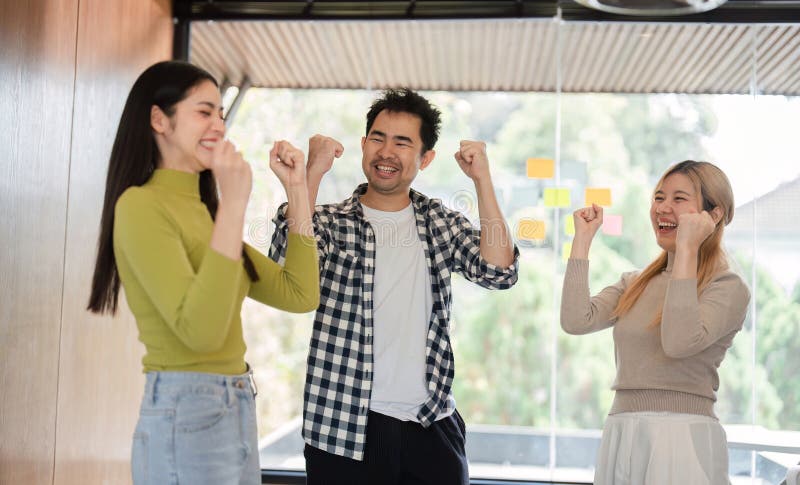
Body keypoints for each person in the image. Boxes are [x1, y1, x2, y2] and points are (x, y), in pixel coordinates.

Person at [86, 60, 320, 485]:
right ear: (160, 119)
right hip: (186, 406)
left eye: (220, 114)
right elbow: (200, 333)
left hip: (235, 403)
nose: (218, 125)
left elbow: (299, 293)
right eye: (203, 111)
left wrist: (298, 190)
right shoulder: (141, 207)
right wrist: (234, 204)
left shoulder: (206, 216)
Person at [269, 88, 519, 484]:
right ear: (363, 144)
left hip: (431, 422)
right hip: (343, 426)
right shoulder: (333, 222)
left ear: (425, 158)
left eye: (402, 142)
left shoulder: (439, 222)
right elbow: (284, 267)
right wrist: (311, 173)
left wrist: (482, 178)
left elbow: (499, 271)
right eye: (377, 138)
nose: (386, 152)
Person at [561, 160, 751, 485]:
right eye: (659, 197)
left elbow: (678, 343)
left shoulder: (727, 286)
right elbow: (576, 320)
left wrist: (688, 248)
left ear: (713, 215)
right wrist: (582, 240)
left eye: (679, 199)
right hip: (622, 429)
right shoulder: (635, 282)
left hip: (681, 436)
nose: (662, 207)